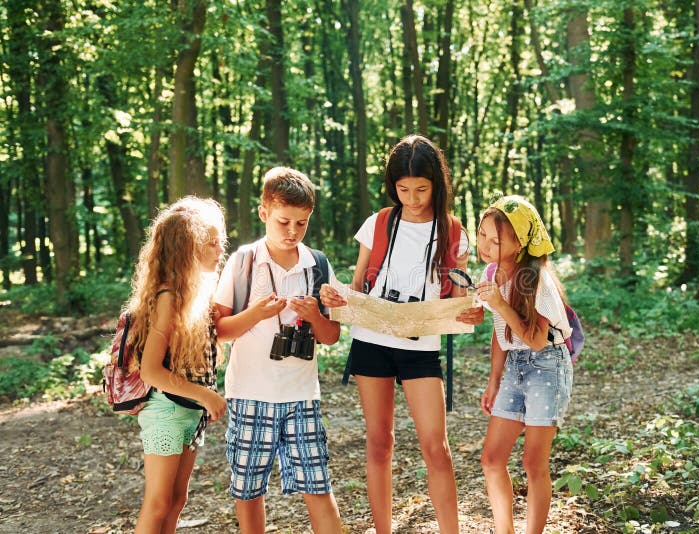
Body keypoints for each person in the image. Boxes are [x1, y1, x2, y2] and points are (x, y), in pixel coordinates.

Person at [320, 135, 477, 534]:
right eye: (403, 189)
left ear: (437, 185)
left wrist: (468, 310)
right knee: (379, 442)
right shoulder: (379, 222)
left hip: (421, 346)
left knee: (435, 447)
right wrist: (336, 297)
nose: (412, 198)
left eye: (421, 189)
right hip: (371, 339)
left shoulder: (452, 230)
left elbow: (457, 296)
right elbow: (357, 285)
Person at [214, 167, 343, 534]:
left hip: (302, 395)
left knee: (317, 486)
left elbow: (331, 336)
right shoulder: (243, 262)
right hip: (250, 394)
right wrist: (256, 313)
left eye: (301, 224)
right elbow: (219, 331)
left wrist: (315, 315)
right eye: (284, 221)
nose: (292, 232)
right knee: (249, 491)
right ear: (264, 212)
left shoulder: (317, 265)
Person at [474, 195, 574, 534]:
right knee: (491, 460)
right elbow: (501, 331)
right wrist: (494, 379)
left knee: (533, 463)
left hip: (547, 364)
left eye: (495, 239)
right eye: (482, 234)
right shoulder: (493, 271)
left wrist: (501, 304)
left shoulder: (535, 280)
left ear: (518, 244)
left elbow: (535, 339)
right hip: (514, 364)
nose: (485, 244)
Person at [130, 196, 228, 533]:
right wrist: (207, 396)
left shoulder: (194, 296)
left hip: (188, 413)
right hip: (166, 412)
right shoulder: (167, 296)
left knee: (176, 500)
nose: (220, 250)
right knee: (158, 502)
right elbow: (151, 371)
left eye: (221, 242)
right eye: (211, 243)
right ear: (188, 247)